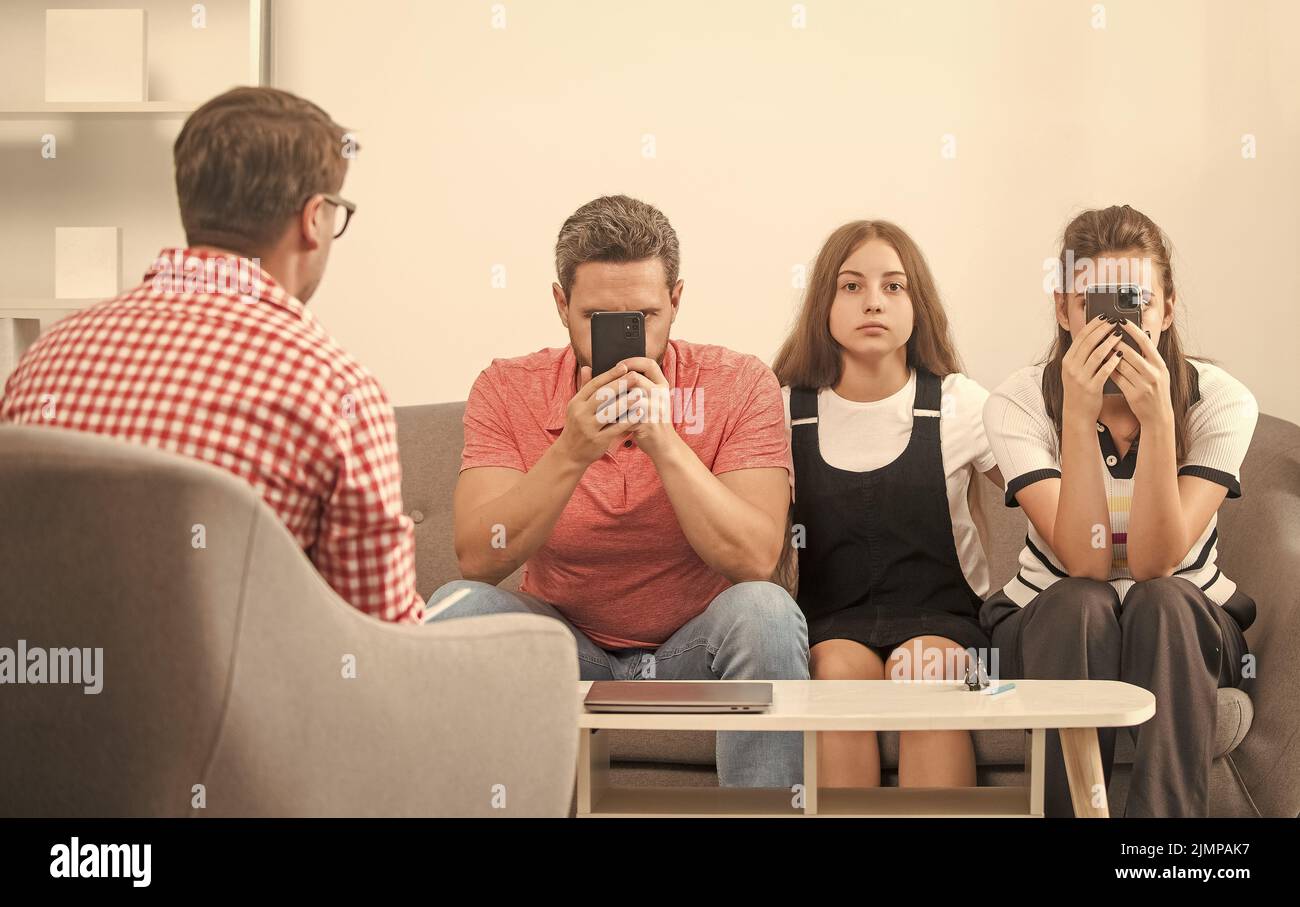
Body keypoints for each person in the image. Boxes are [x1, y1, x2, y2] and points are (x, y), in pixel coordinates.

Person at [425, 194, 808, 789]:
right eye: (598, 320)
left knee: (767, 611)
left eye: (644, 318)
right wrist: (571, 450)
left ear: (676, 301)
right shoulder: (507, 386)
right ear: (560, 303)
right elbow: (478, 557)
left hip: (694, 648)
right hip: (564, 649)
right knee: (455, 608)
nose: (626, 341)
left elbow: (757, 561)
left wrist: (663, 440)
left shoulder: (739, 382)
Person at [0, 86, 421, 623]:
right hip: (226, 706)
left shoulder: (45, 359)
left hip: (39, 693)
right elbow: (378, 640)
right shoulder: (336, 389)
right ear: (314, 218)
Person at [981, 204, 1258, 817]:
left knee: (1162, 599)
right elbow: (1086, 561)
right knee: (1083, 601)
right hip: (1051, 616)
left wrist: (1159, 419)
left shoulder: (1221, 400)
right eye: (1094, 307)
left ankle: (1159, 851)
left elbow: (1160, 562)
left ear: (1164, 309)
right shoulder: (1019, 400)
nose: (1117, 327)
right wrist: (1078, 417)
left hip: (1186, 618)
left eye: (1134, 304)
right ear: (1064, 311)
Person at [772, 220, 1003, 789]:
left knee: (924, 670)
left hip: (944, 619)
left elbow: (1046, 499)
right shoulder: (784, 410)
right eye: (851, 286)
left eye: (893, 287)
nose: (873, 302)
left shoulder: (958, 403)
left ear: (916, 303)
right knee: (836, 675)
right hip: (832, 623)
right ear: (823, 302)